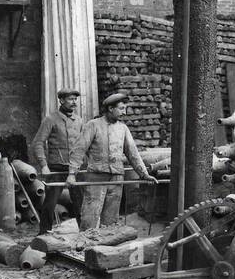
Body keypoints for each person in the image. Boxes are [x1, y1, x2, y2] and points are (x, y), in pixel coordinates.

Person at [65, 92, 156, 231]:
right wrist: (72, 174)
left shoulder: (123, 128)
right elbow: (78, 150)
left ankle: (105, 249)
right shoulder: (93, 125)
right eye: (121, 108)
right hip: (96, 178)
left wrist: (144, 174)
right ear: (110, 109)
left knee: (111, 219)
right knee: (90, 215)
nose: (124, 112)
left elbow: (133, 154)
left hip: (116, 178)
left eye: (125, 108)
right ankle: (85, 247)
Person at [32, 88, 84, 232]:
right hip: (56, 168)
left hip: (74, 169)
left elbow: (83, 144)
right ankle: (43, 234)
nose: (74, 102)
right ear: (61, 101)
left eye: (75, 99)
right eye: (70, 99)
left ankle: (85, 235)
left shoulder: (79, 120)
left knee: (80, 204)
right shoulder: (51, 120)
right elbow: (37, 143)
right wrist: (43, 165)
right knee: (50, 204)